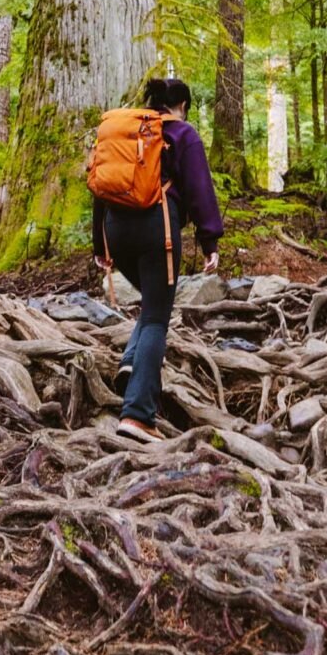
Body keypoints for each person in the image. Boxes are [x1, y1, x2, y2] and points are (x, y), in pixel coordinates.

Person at [93, 76, 223, 442]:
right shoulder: (182, 134)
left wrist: (100, 245)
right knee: (155, 318)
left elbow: (101, 184)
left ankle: (132, 362)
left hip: (115, 228)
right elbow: (200, 188)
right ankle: (137, 414)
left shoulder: (125, 130)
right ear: (180, 104)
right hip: (157, 227)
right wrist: (209, 240)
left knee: (151, 304)